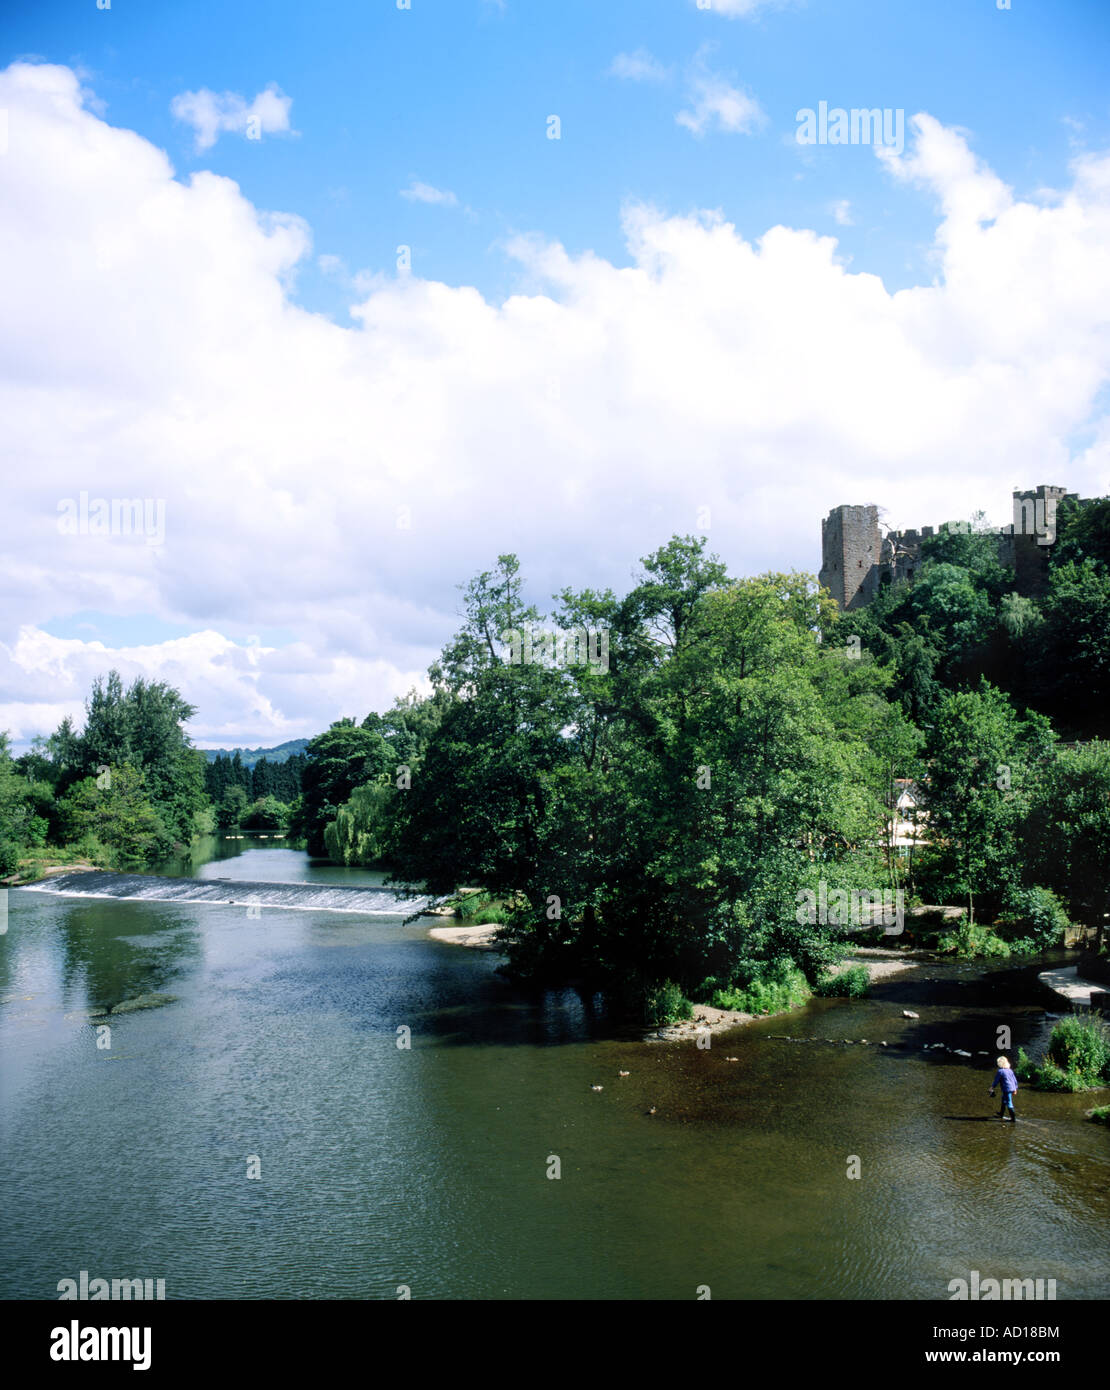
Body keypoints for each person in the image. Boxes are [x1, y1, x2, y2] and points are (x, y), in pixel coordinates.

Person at [989, 1055, 1018, 1122]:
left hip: (1006, 1089)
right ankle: (1001, 1113)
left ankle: (1013, 1119)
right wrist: (1015, 1089)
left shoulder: (1000, 1071)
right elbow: (1014, 1080)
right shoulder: (1010, 1071)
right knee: (1003, 1099)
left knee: (1009, 1103)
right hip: (1012, 1088)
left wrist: (992, 1087)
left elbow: (996, 1081)